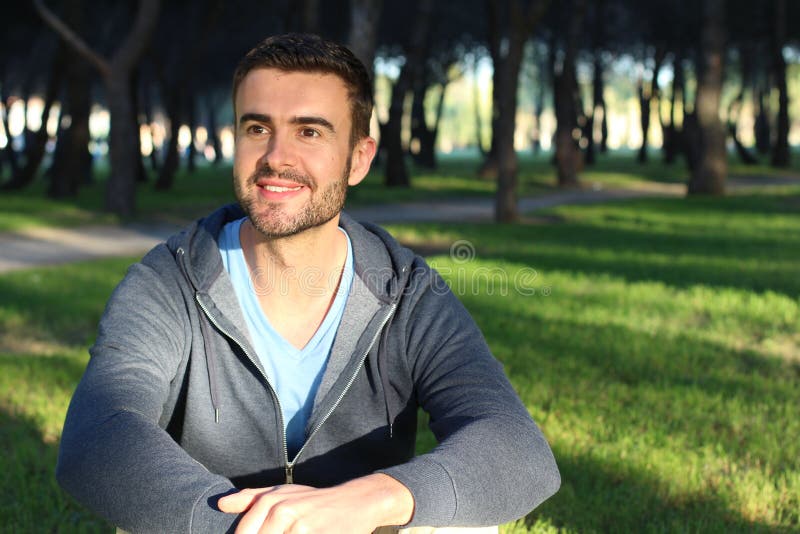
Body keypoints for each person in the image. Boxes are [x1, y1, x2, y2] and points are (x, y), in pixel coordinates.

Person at [56, 33, 560, 534]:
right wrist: (263, 524)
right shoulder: (168, 281)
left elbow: (515, 444)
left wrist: (378, 497)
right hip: (221, 527)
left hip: (353, 526)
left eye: (310, 132)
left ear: (358, 159)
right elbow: (99, 435)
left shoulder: (407, 293)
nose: (276, 157)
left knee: (464, 527)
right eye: (257, 128)